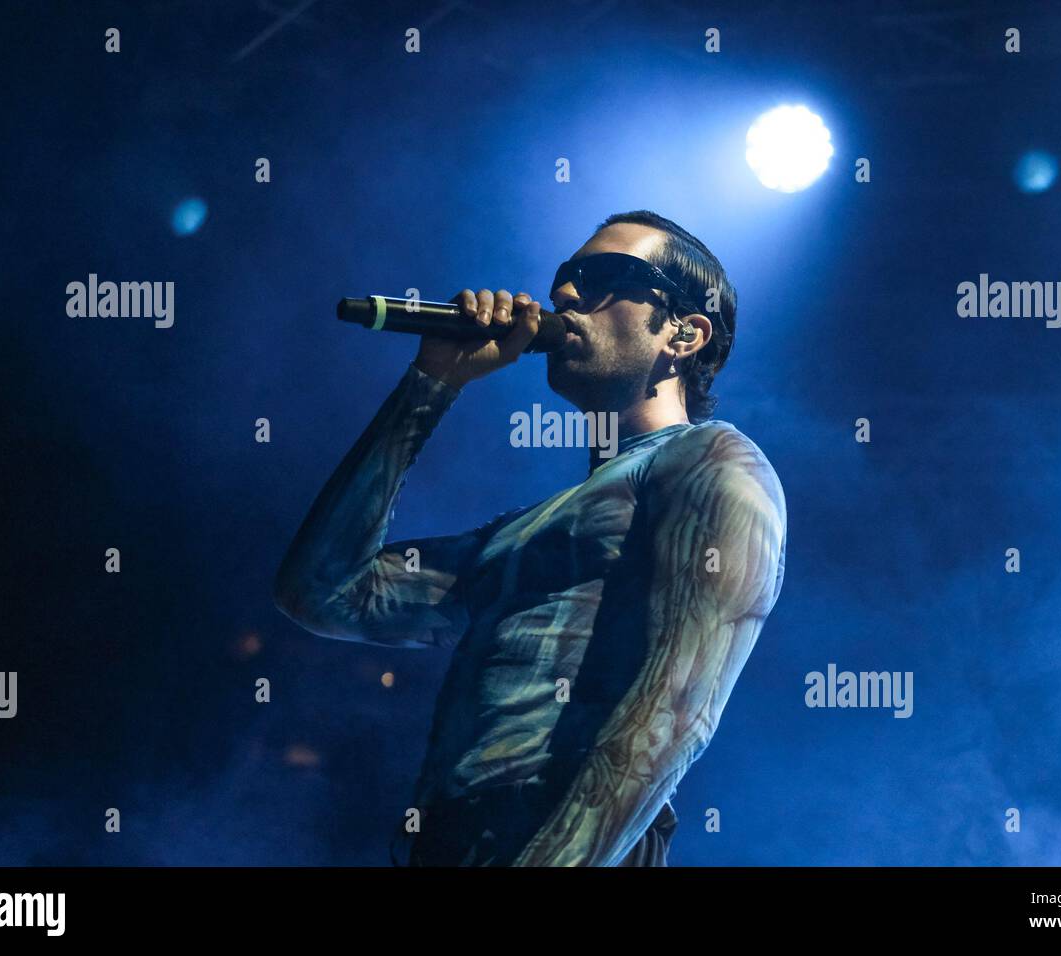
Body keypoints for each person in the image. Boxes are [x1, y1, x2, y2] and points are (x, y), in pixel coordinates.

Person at [274, 210, 787, 866]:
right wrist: (433, 382)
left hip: (570, 836)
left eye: (604, 278)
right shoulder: (523, 532)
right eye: (564, 278)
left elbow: (676, 712)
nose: (566, 295)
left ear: (684, 333)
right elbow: (323, 591)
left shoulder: (712, 461)